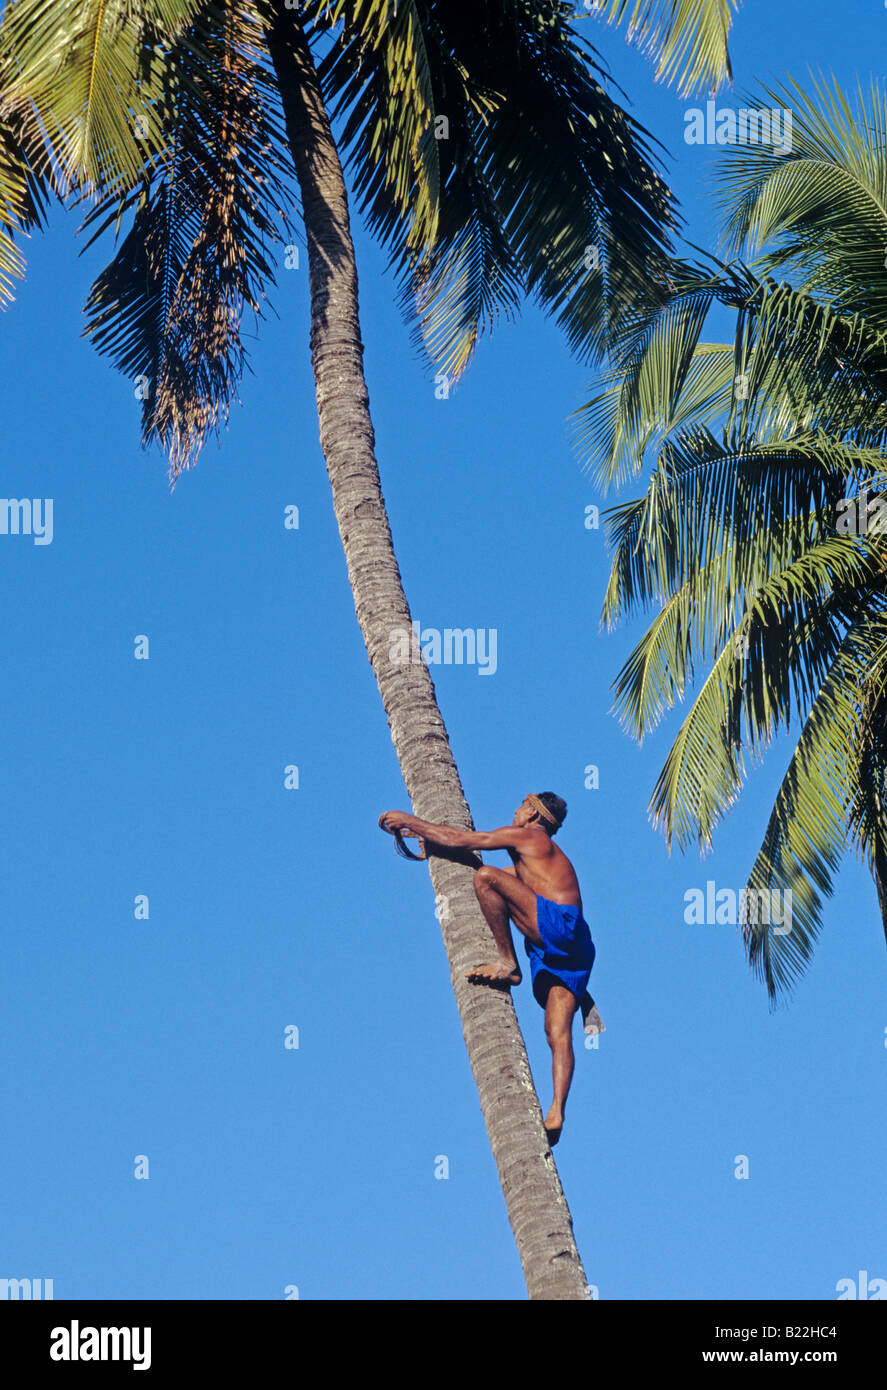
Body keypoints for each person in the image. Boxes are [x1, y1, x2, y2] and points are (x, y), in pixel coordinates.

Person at [379, 793, 598, 1146]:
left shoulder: (527, 836)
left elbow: (467, 840)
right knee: (556, 1032)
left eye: (521, 805)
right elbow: (498, 871)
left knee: (485, 879)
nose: (515, 810)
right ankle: (557, 1111)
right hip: (572, 946)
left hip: (560, 927)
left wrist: (410, 821)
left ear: (533, 813)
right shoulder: (535, 857)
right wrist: (433, 845)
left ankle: (508, 963)